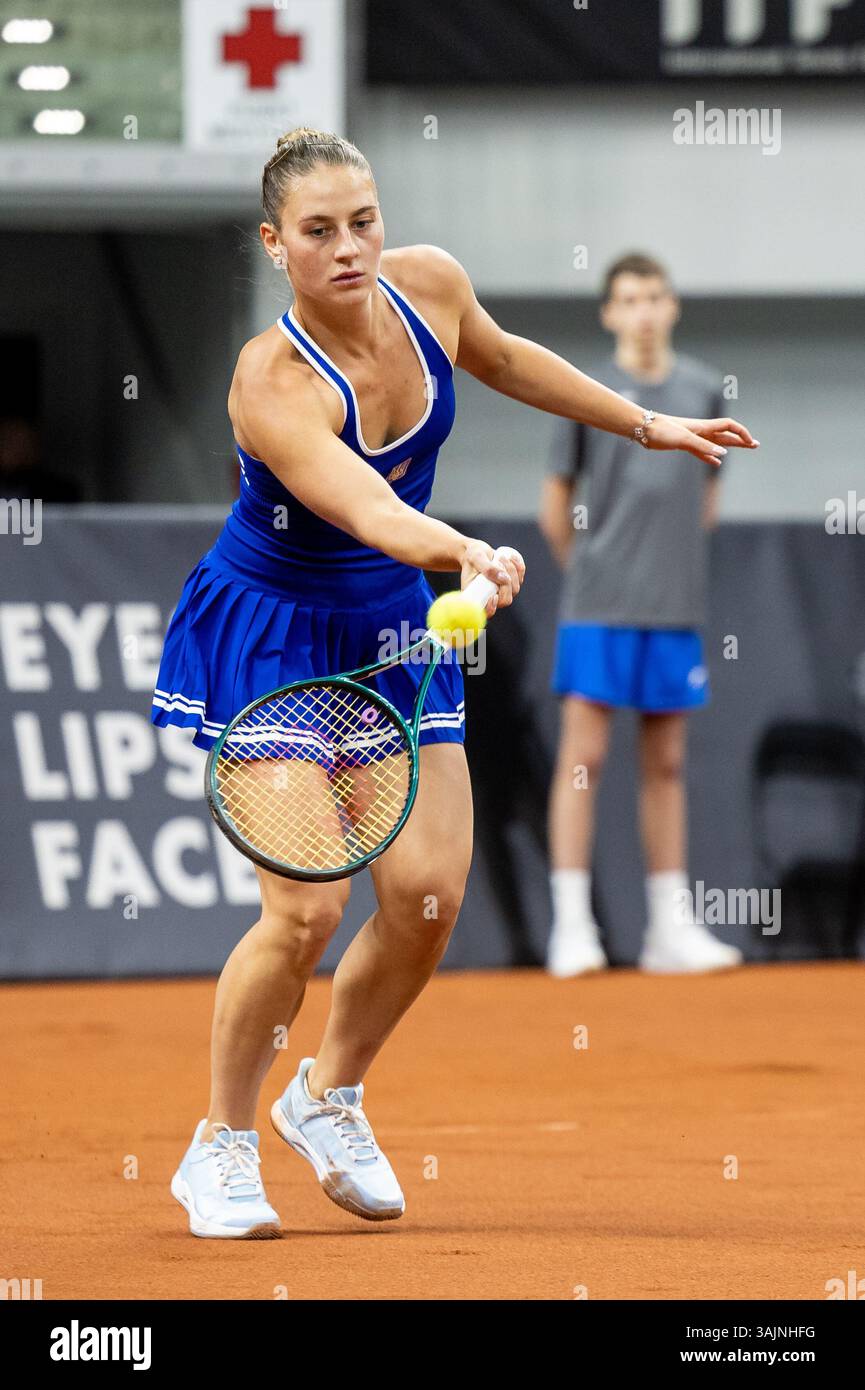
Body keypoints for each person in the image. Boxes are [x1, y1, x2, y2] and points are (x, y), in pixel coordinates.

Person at [151, 131, 757, 1239]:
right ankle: (220, 1143)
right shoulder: (268, 380)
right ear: (273, 244)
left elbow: (505, 355)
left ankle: (326, 1095)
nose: (350, 248)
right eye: (320, 232)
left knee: (427, 897)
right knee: (303, 913)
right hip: (277, 634)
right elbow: (364, 506)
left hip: (393, 630)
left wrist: (644, 421)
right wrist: (461, 550)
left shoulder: (427, 286)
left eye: (363, 220)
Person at [540, 252, 753, 978]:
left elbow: (704, 505)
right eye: (628, 299)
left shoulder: (700, 389)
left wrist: (664, 576)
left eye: (654, 297)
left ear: (671, 306)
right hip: (596, 605)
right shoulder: (585, 391)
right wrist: (596, 577)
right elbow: (553, 509)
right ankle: (571, 926)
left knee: (665, 764)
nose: (642, 310)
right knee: (583, 762)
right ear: (609, 312)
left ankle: (669, 928)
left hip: (674, 610)